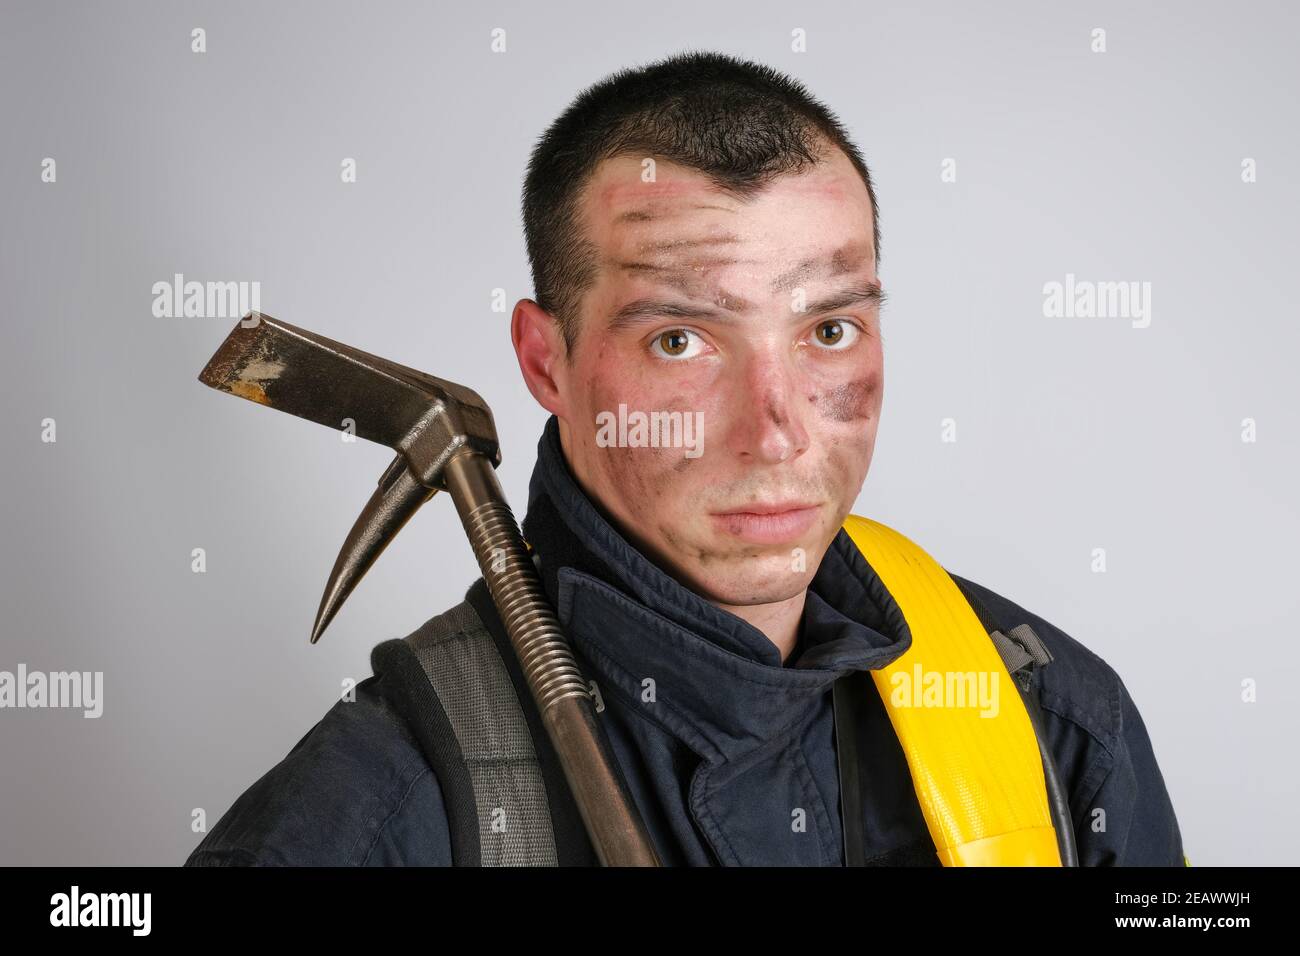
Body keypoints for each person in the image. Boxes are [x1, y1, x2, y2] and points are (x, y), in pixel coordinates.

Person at [185, 50, 1184, 867]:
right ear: (547, 358)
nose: (775, 428)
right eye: (679, 338)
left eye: (829, 328)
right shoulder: (381, 808)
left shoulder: (1045, 710)